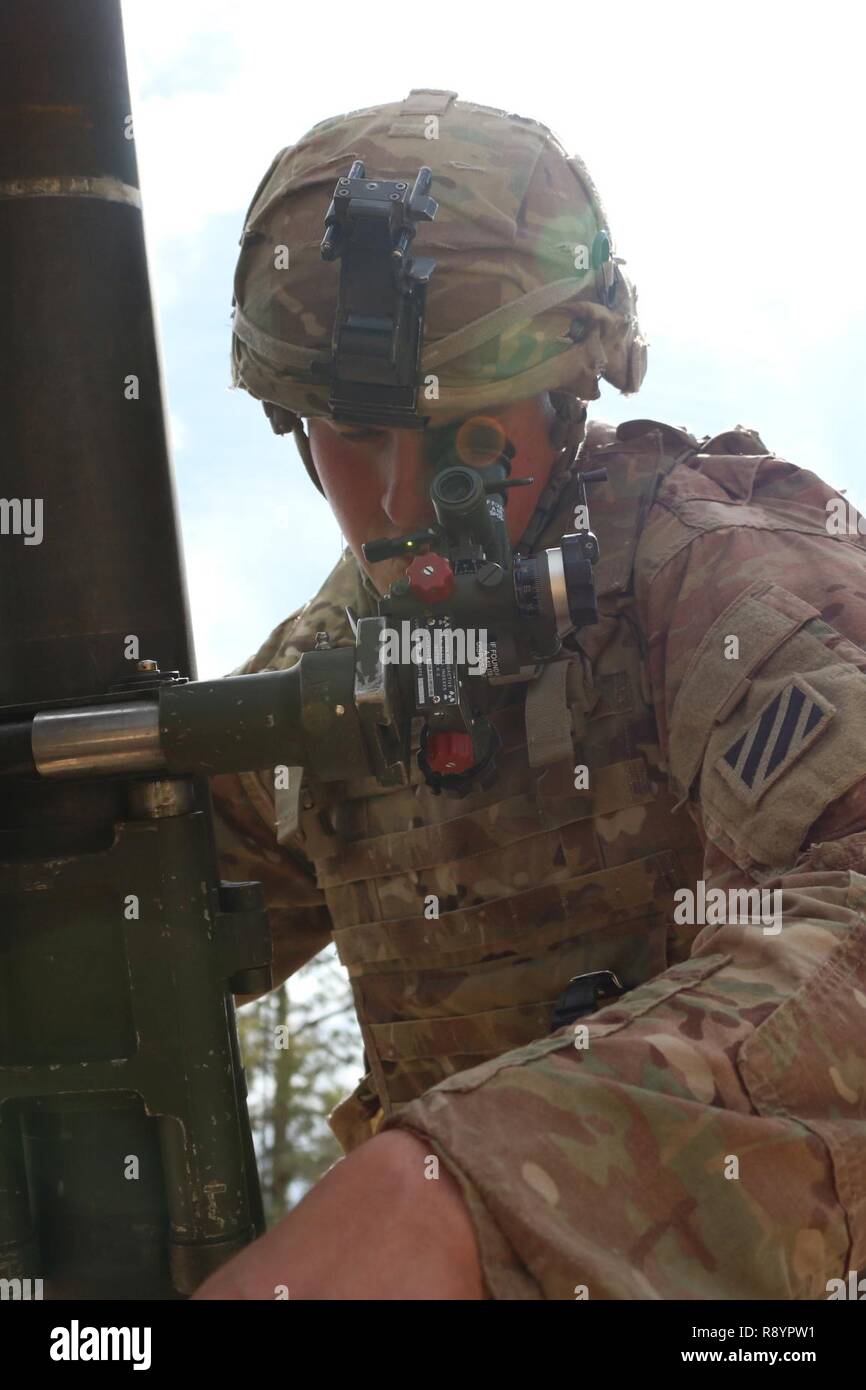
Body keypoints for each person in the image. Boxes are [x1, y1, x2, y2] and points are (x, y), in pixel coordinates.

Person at [194, 90, 866, 1300]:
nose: (398, 501)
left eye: (458, 435)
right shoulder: (342, 657)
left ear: (563, 384)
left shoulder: (705, 570)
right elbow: (149, 887)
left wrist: (453, 1200)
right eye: (349, 433)